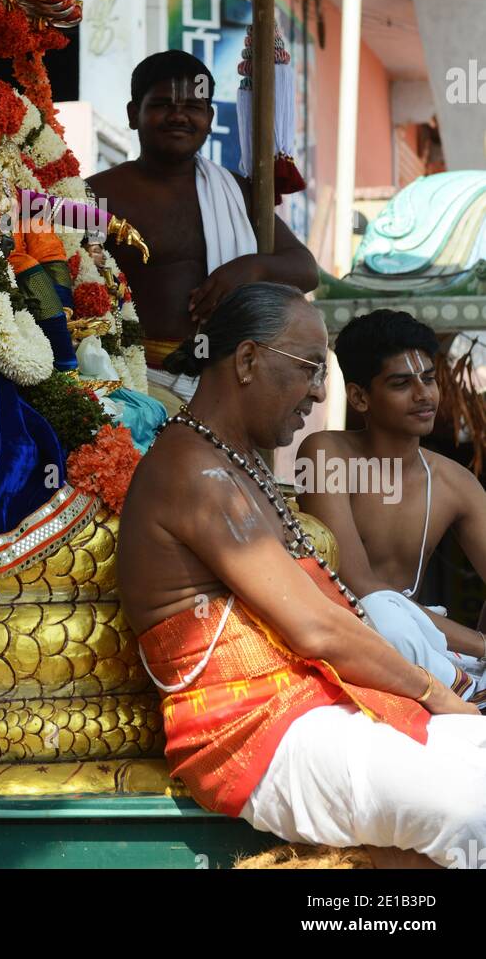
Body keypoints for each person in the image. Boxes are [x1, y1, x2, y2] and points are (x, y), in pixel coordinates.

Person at [117, 283, 486, 867]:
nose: (318, 392)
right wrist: (438, 693)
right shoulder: (194, 469)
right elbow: (316, 629)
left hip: (315, 706)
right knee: (473, 808)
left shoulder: (234, 461)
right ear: (246, 361)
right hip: (248, 734)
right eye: (310, 368)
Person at [87, 50, 318, 412]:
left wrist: (251, 268)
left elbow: (306, 270)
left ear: (209, 118)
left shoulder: (236, 191)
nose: (179, 116)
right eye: (163, 104)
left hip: (228, 382)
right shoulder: (97, 193)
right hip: (138, 386)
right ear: (134, 115)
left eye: (193, 107)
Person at [298, 310, 486, 703]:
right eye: (402, 383)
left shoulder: (454, 482)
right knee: (382, 611)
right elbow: (354, 585)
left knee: (398, 622)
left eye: (429, 379)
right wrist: (481, 645)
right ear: (360, 397)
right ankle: (465, 691)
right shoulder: (325, 454)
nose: (424, 395)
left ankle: (466, 685)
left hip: (429, 644)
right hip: (357, 629)